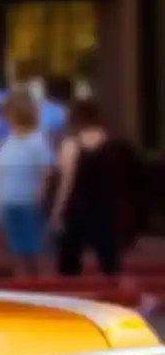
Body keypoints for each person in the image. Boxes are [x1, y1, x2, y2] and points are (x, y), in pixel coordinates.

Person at [51, 99, 122, 277]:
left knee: (69, 261)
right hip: (106, 206)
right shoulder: (111, 144)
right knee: (109, 260)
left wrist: (58, 209)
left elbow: (67, 181)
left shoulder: (72, 144)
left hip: (78, 207)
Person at [0, 94, 55, 278]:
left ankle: (43, 289)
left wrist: (41, 195)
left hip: (29, 201)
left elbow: (46, 171)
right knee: (17, 250)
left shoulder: (37, 140)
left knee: (35, 250)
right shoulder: (9, 141)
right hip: (10, 199)